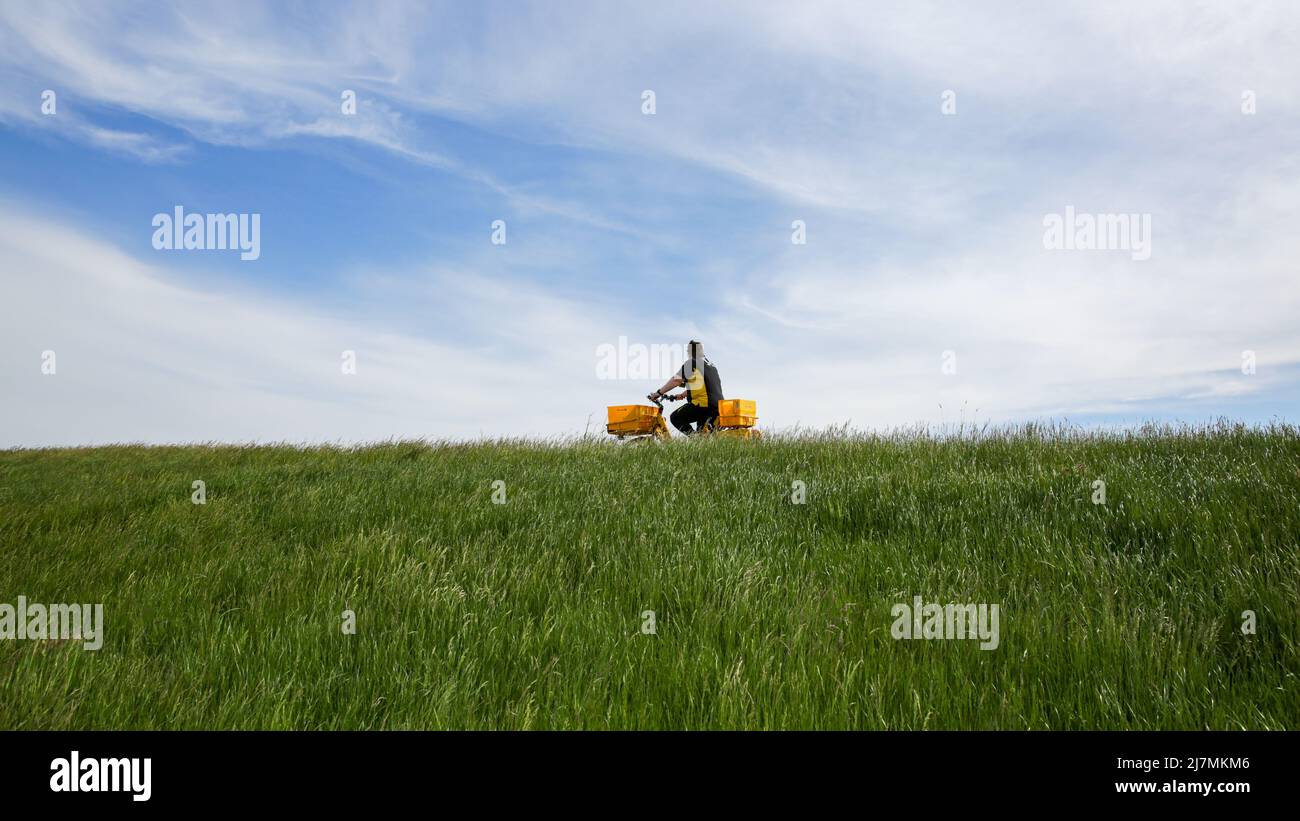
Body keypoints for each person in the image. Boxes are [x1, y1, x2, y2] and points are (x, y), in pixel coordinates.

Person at [648, 340, 724, 435]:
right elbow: (702, 385)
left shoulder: (692, 363)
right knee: (703, 435)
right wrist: (682, 395)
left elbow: (676, 380)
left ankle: (694, 440)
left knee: (675, 417)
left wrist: (658, 393)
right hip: (718, 406)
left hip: (703, 406)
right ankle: (698, 442)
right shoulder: (711, 366)